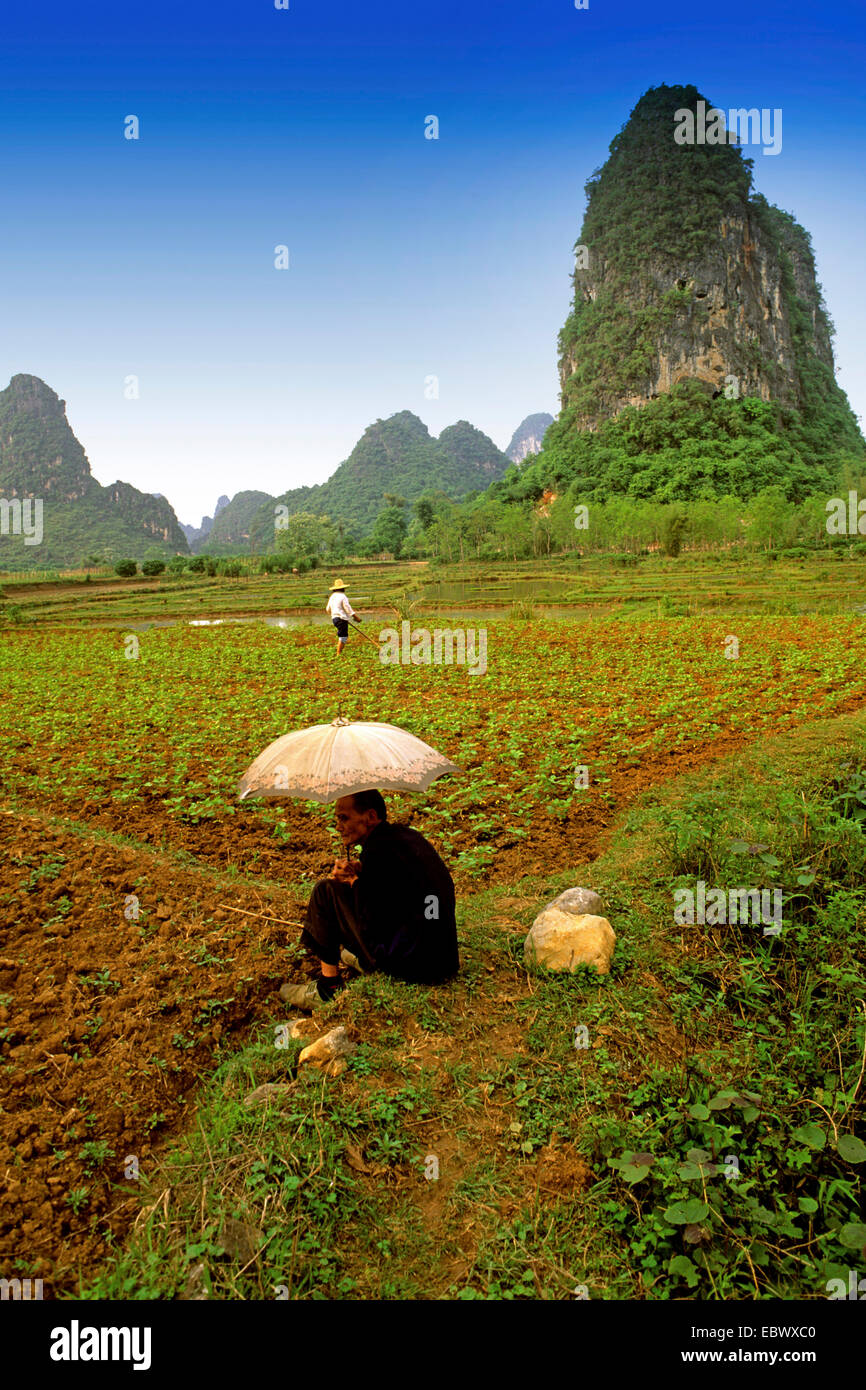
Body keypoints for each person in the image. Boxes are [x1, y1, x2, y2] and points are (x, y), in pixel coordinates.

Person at [280, 789, 459, 1009]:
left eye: (344, 818)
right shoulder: (405, 837)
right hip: (442, 960)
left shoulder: (376, 852)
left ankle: (329, 988)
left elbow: (374, 916)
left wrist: (354, 882)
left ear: (371, 817)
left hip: (412, 967)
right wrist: (361, 873)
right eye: (337, 819)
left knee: (325, 891)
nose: (338, 826)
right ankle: (365, 959)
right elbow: (399, 891)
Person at [325, 579, 360, 655]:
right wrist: (355, 617)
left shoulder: (332, 597)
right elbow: (347, 608)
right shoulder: (343, 596)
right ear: (342, 588)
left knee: (343, 635)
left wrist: (334, 615)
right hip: (341, 619)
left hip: (335, 619)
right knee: (343, 636)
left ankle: (339, 652)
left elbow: (328, 609)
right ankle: (338, 653)